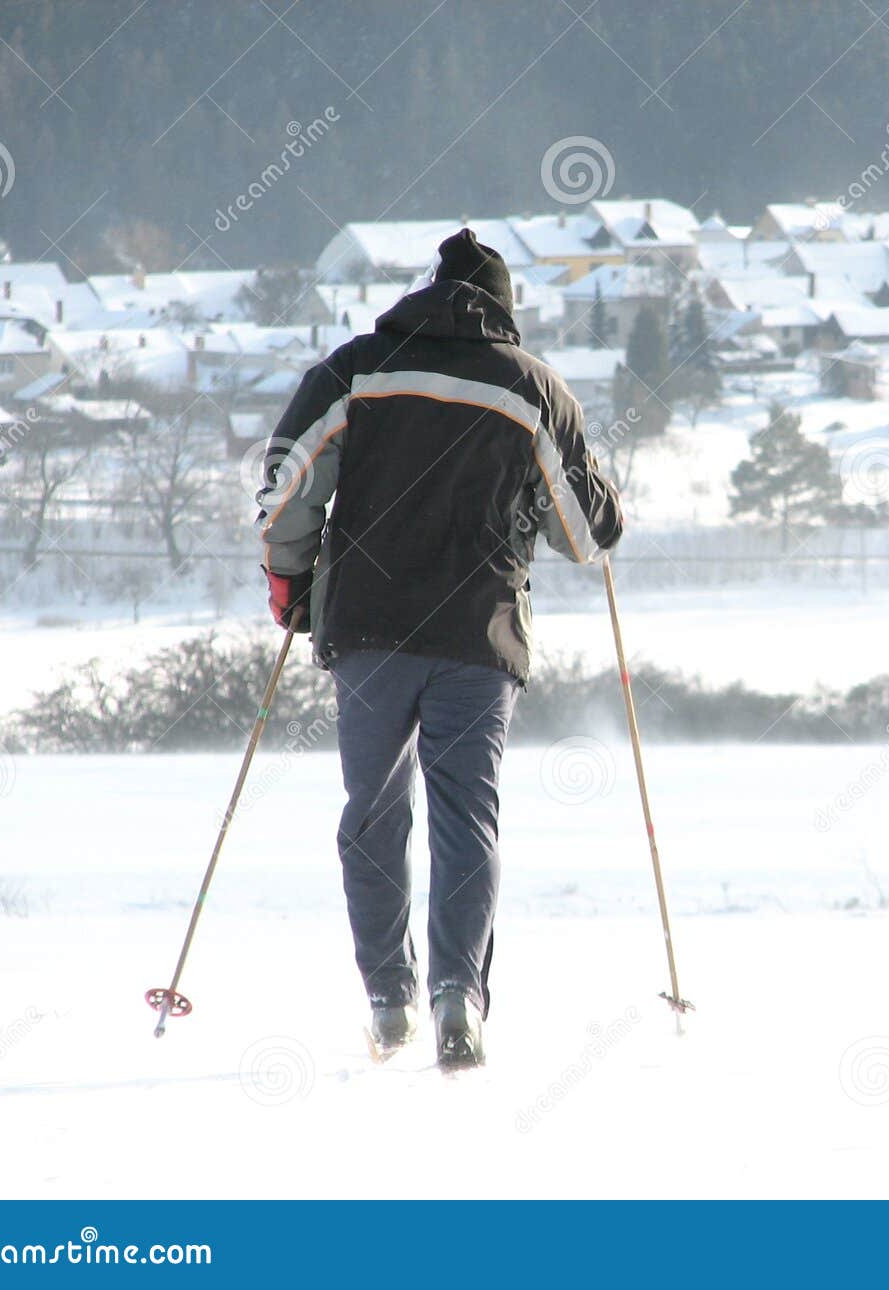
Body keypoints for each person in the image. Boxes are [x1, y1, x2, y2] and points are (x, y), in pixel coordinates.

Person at [255, 229, 623, 1070]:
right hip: (478, 635)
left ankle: (388, 1001)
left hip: (369, 631)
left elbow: (286, 490)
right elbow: (584, 532)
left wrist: (292, 584)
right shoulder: (532, 388)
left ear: (426, 289)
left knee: (374, 813)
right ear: (506, 310)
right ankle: (458, 1000)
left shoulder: (357, 368)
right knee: (467, 818)